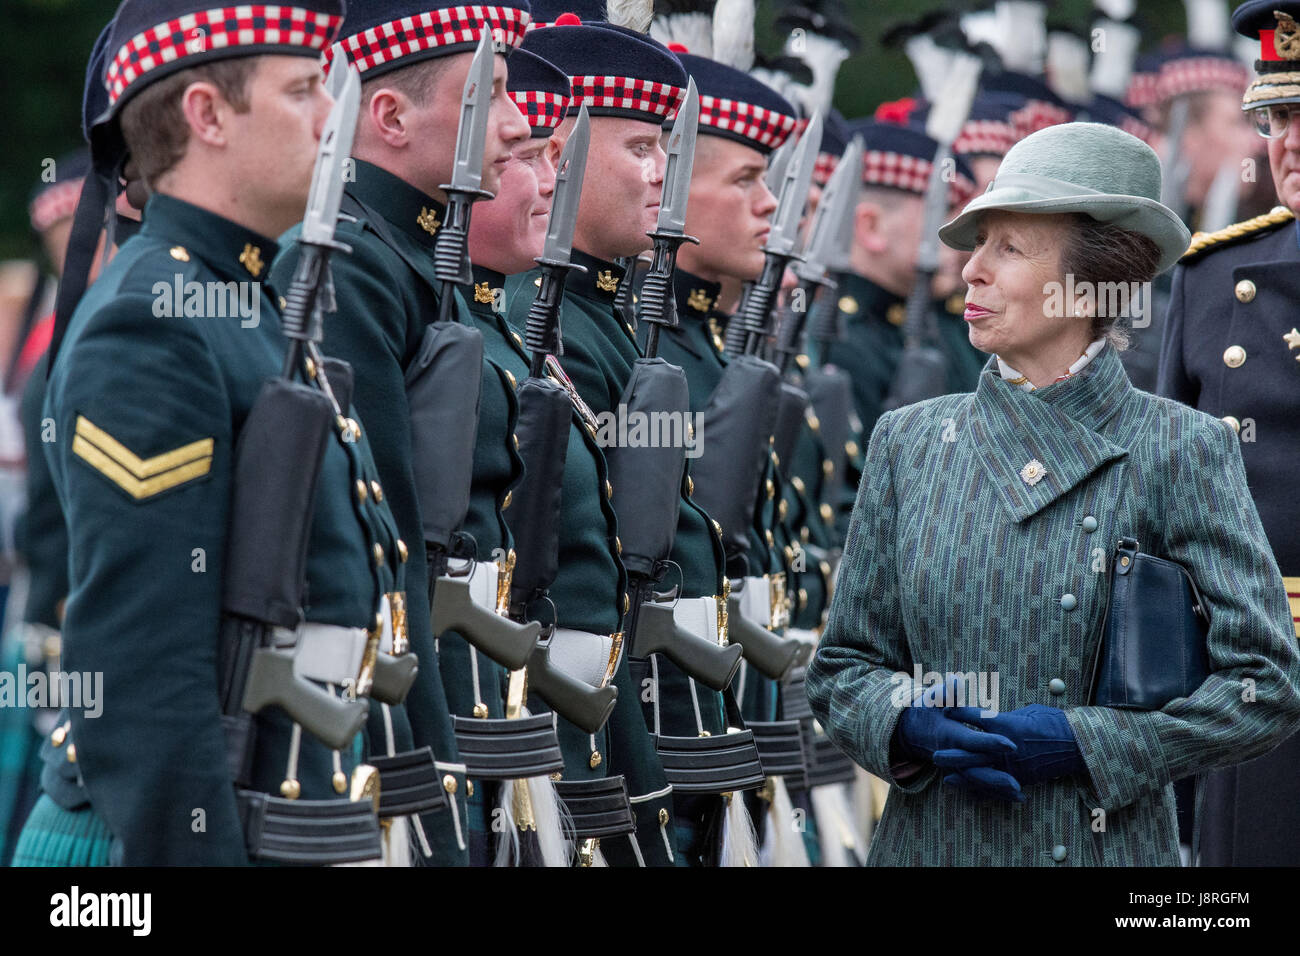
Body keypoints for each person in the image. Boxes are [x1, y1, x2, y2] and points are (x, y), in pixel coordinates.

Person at [806, 121, 1300, 866]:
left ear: (1093, 280)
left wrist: (1089, 743)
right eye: (977, 244)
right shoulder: (908, 441)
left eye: (1008, 248)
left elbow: (1265, 684)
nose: (971, 270)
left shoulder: (1181, 446)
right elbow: (843, 667)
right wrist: (906, 723)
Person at [12, 0, 416, 866]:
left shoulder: (240, 303)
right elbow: (144, 670)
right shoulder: (153, 321)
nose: (331, 116)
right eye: (303, 89)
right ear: (207, 115)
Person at [271, 0, 535, 866]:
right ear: (389, 116)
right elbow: (396, 553)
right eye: (490, 94)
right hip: (400, 720)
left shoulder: (415, 262)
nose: (518, 122)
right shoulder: (354, 264)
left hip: (477, 691)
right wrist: (434, 781)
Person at [1157, 0, 1300, 866]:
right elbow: (1164, 522)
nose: (1291, 144)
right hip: (1255, 682)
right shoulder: (1213, 277)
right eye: (1279, 118)